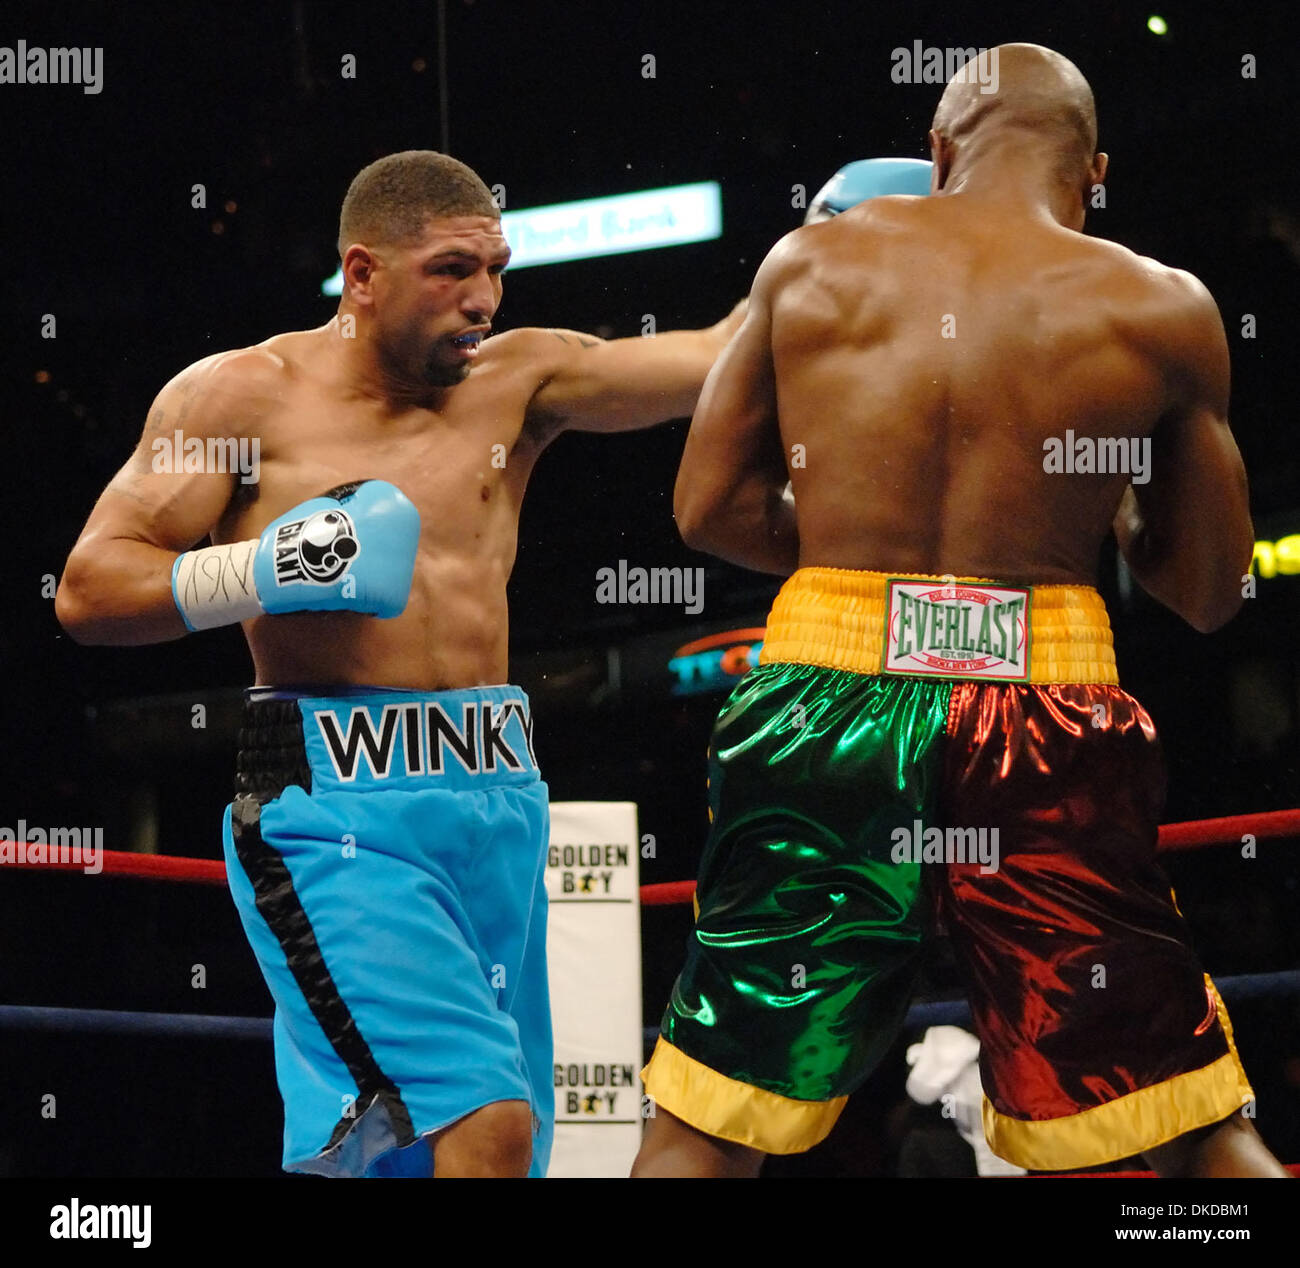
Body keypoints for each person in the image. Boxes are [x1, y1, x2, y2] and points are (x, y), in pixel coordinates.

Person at [634, 45, 1289, 1178]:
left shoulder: (805, 264)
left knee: (709, 1117)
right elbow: (1209, 590)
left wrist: (855, 560)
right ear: (1093, 172)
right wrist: (1116, 516)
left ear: (935, 155)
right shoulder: (1161, 306)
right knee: (1179, 1122)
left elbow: (706, 505)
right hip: (1044, 703)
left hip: (821, 699)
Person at [54, 149, 743, 1179]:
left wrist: (833, 249)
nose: (484, 299)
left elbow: (719, 357)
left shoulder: (523, 380)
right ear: (364, 274)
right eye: (452, 270)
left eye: (497, 270)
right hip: (334, 808)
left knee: (425, 1152)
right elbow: (90, 589)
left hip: (498, 800)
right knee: (486, 1124)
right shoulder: (240, 399)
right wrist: (274, 564)